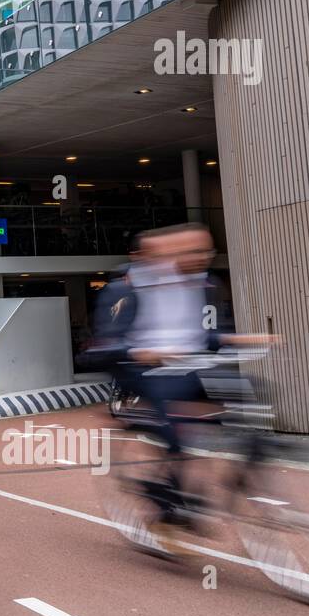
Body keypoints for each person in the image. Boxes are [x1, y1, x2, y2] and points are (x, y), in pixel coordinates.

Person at [113, 223, 274, 541]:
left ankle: (243, 474)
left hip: (187, 369)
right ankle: (167, 509)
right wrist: (142, 352)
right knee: (174, 429)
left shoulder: (203, 285)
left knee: (254, 393)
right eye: (193, 252)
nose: (202, 259)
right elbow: (108, 343)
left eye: (206, 252)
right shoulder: (130, 288)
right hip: (144, 374)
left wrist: (241, 339)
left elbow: (201, 337)